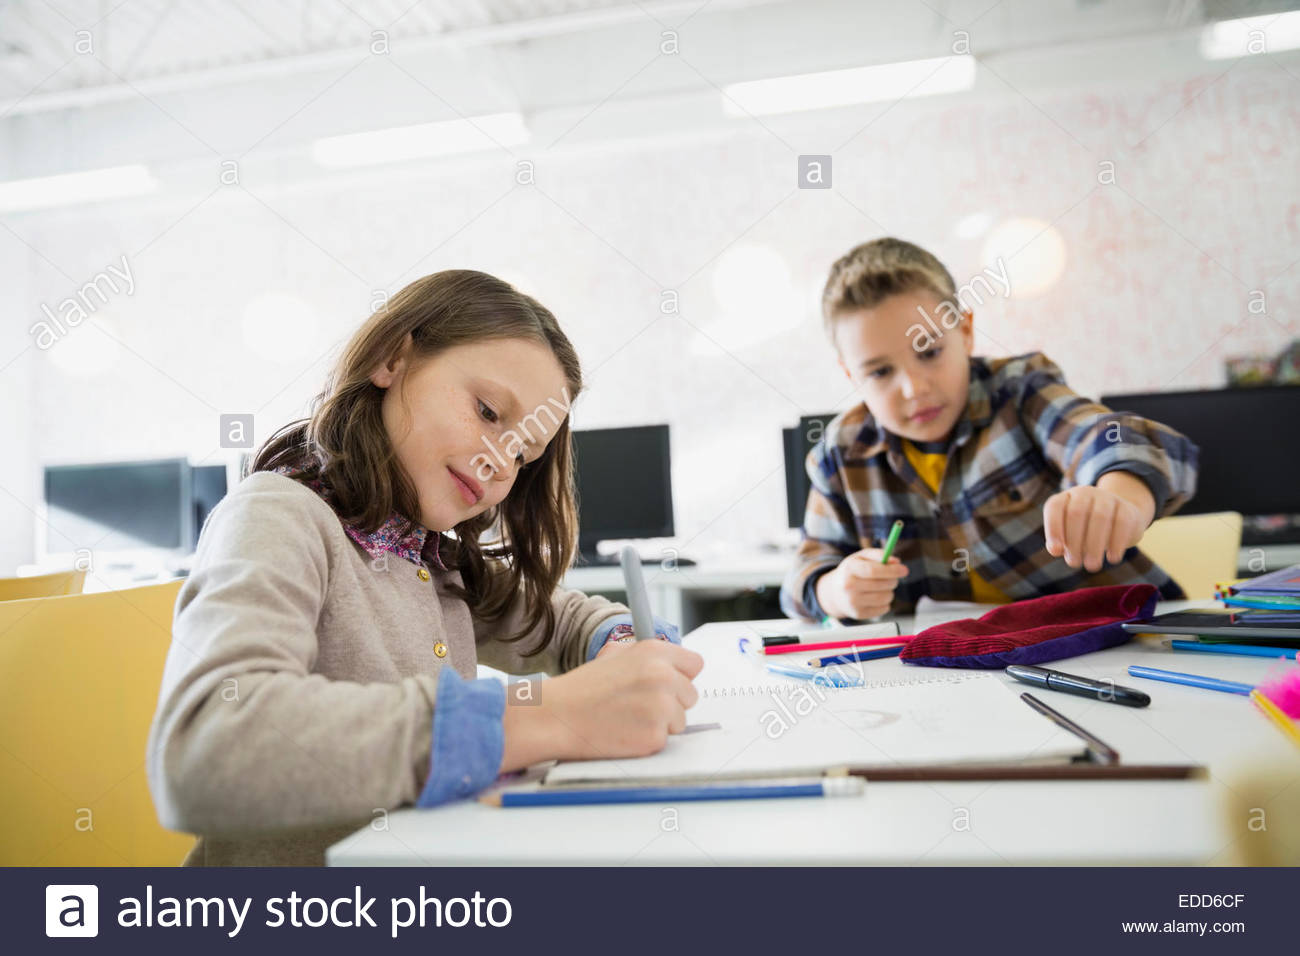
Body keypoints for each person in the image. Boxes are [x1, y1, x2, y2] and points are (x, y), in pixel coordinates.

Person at [148, 269, 703, 865]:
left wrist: (615, 644)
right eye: (488, 412)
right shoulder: (279, 515)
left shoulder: (428, 556)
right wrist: (545, 717)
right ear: (393, 359)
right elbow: (208, 748)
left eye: (522, 453)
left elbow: (559, 620)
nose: (499, 461)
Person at [781, 237, 1198, 623]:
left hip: (1111, 640)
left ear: (964, 331)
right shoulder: (841, 453)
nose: (914, 388)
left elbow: (1111, 437)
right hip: (951, 672)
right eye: (880, 371)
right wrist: (834, 591)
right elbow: (801, 577)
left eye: (929, 351)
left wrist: (1119, 494)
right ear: (849, 373)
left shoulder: (1020, 391)